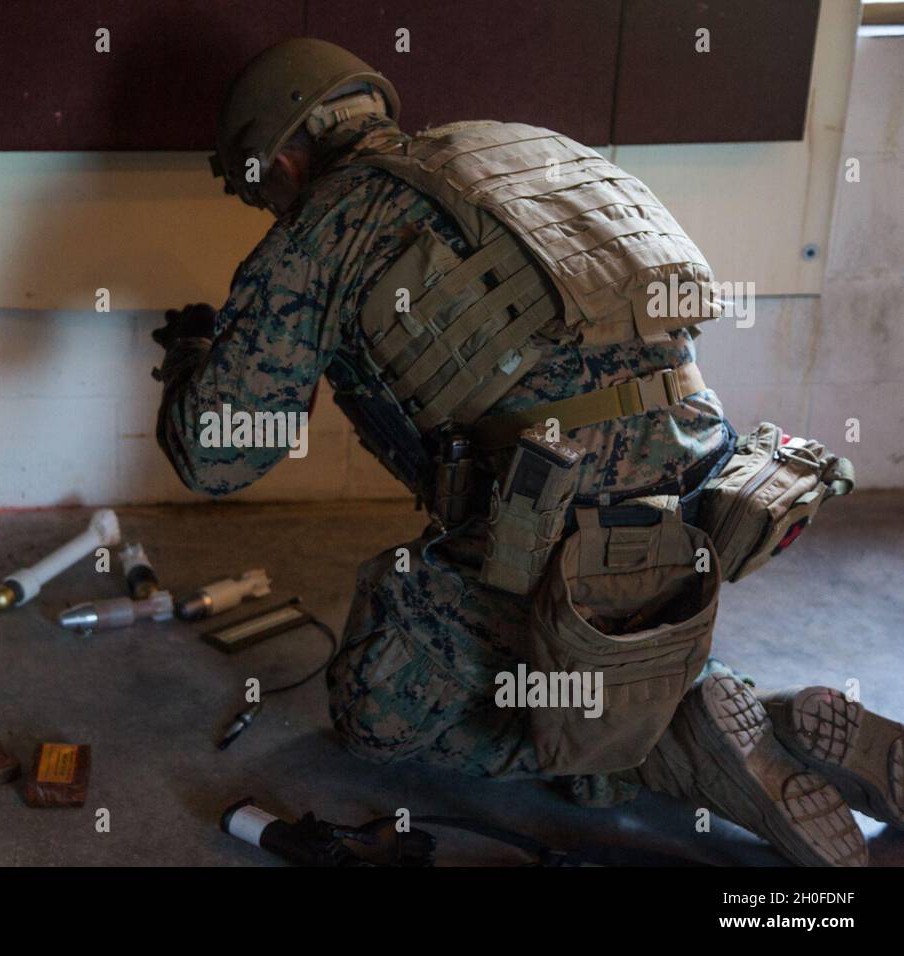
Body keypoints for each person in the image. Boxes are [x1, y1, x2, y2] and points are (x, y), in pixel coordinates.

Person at [152, 38, 900, 866]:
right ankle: (699, 697)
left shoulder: (322, 230)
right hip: (704, 484)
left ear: (281, 159)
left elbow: (216, 456)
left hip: (550, 514)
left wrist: (195, 361)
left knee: (376, 714)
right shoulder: (517, 145)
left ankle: (650, 749)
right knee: (576, 616)